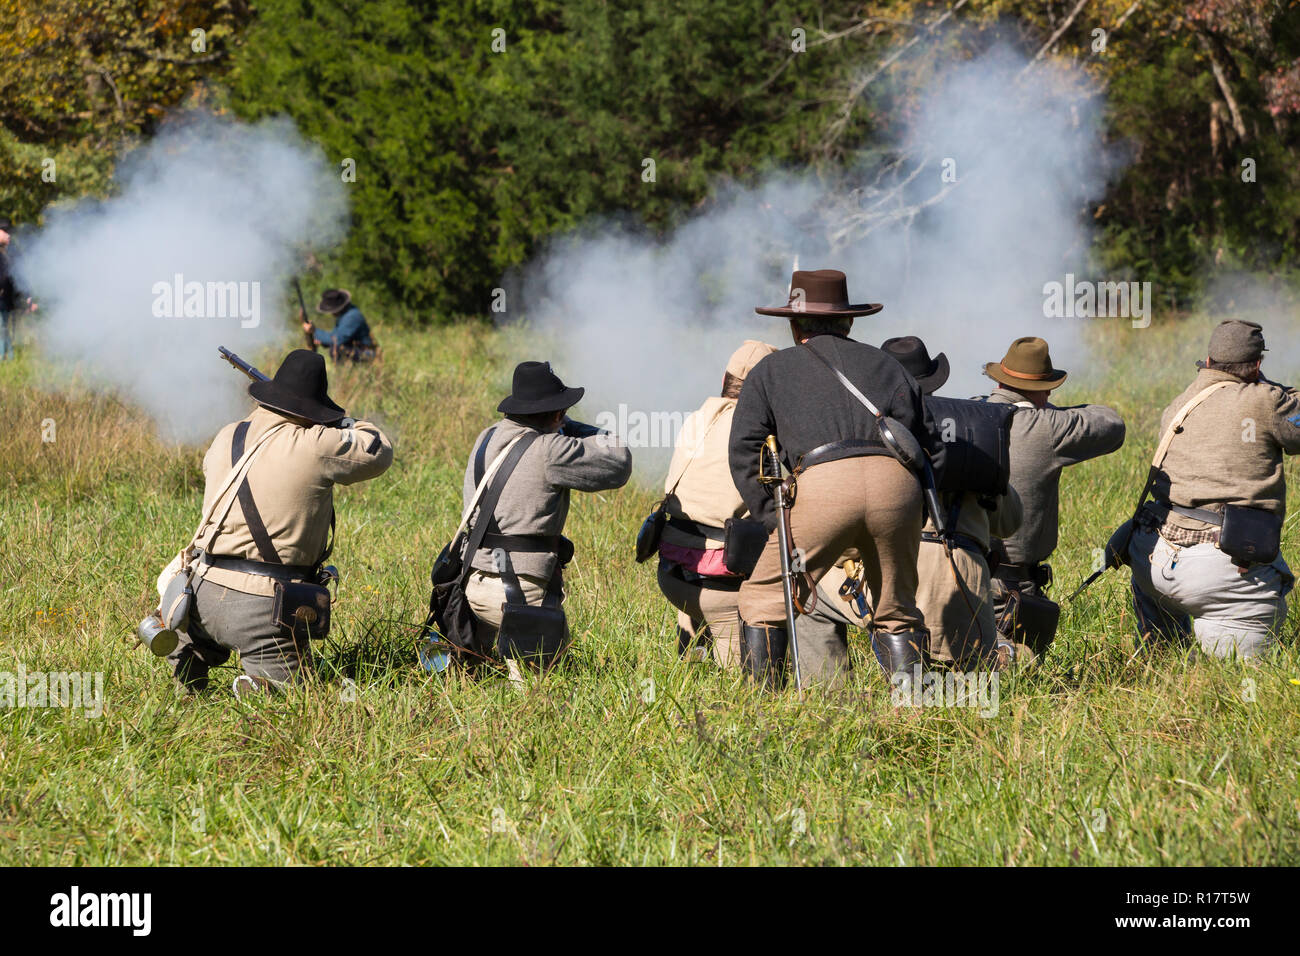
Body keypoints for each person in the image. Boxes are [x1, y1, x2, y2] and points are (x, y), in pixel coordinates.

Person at [729, 268, 945, 689]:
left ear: (794, 325)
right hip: (896, 487)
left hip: (821, 488)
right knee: (897, 611)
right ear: (848, 321)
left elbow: (744, 450)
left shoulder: (770, 370)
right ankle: (918, 708)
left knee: (762, 600)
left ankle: (760, 713)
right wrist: (912, 510)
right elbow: (931, 444)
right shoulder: (886, 364)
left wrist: (777, 519)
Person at [170, 350, 393, 695]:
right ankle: (261, 689)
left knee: (187, 666)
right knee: (289, 700)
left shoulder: (227, 434)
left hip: (200, 591)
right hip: (264, 607)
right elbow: (378, 450)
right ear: (313, 409)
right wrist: (345, 423)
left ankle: (186, 693)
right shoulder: (316, 444)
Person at [1128, 320, 1299, 659]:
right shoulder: (1267, 400)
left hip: (1154, 559)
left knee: (1167, 669)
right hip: (1225, 567)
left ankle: (1164, 660)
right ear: (1258, 365)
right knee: (1234, 682)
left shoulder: (1181, 402)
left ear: (1209, 360)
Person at [461, 361, 631, 670]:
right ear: (556, 414)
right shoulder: (550, 448)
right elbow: (619, 460)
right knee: (548, 690)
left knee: (486, 682)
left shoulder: (486, 436)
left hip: (471, 583)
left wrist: (558, 422)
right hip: (518, 595)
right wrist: (575, 427)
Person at [983, 336, 1126, 662]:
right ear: (1042, 390)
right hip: (1014, 586)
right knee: (1018, 672)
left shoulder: (970, 414)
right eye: (1048, 387)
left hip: (960, 570)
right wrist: (1050, 413)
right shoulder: (1047, 425)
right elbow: (1112, 424)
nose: (1050, 393)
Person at [301, 288, 376, 361]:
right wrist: (322, 340)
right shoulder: (345, 315)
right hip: (358, 350)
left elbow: (337, 340)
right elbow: (335, 336)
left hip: (367, 354)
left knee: (337, 349)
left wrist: (314, 331)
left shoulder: (352, 316)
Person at [0, 216, 37, 360]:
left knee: (3, 331)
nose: (9, 235)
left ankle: (7, 360)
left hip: (5, 300)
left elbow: (20, 276)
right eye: (5, 231)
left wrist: (27, 296)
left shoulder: (12, 253)